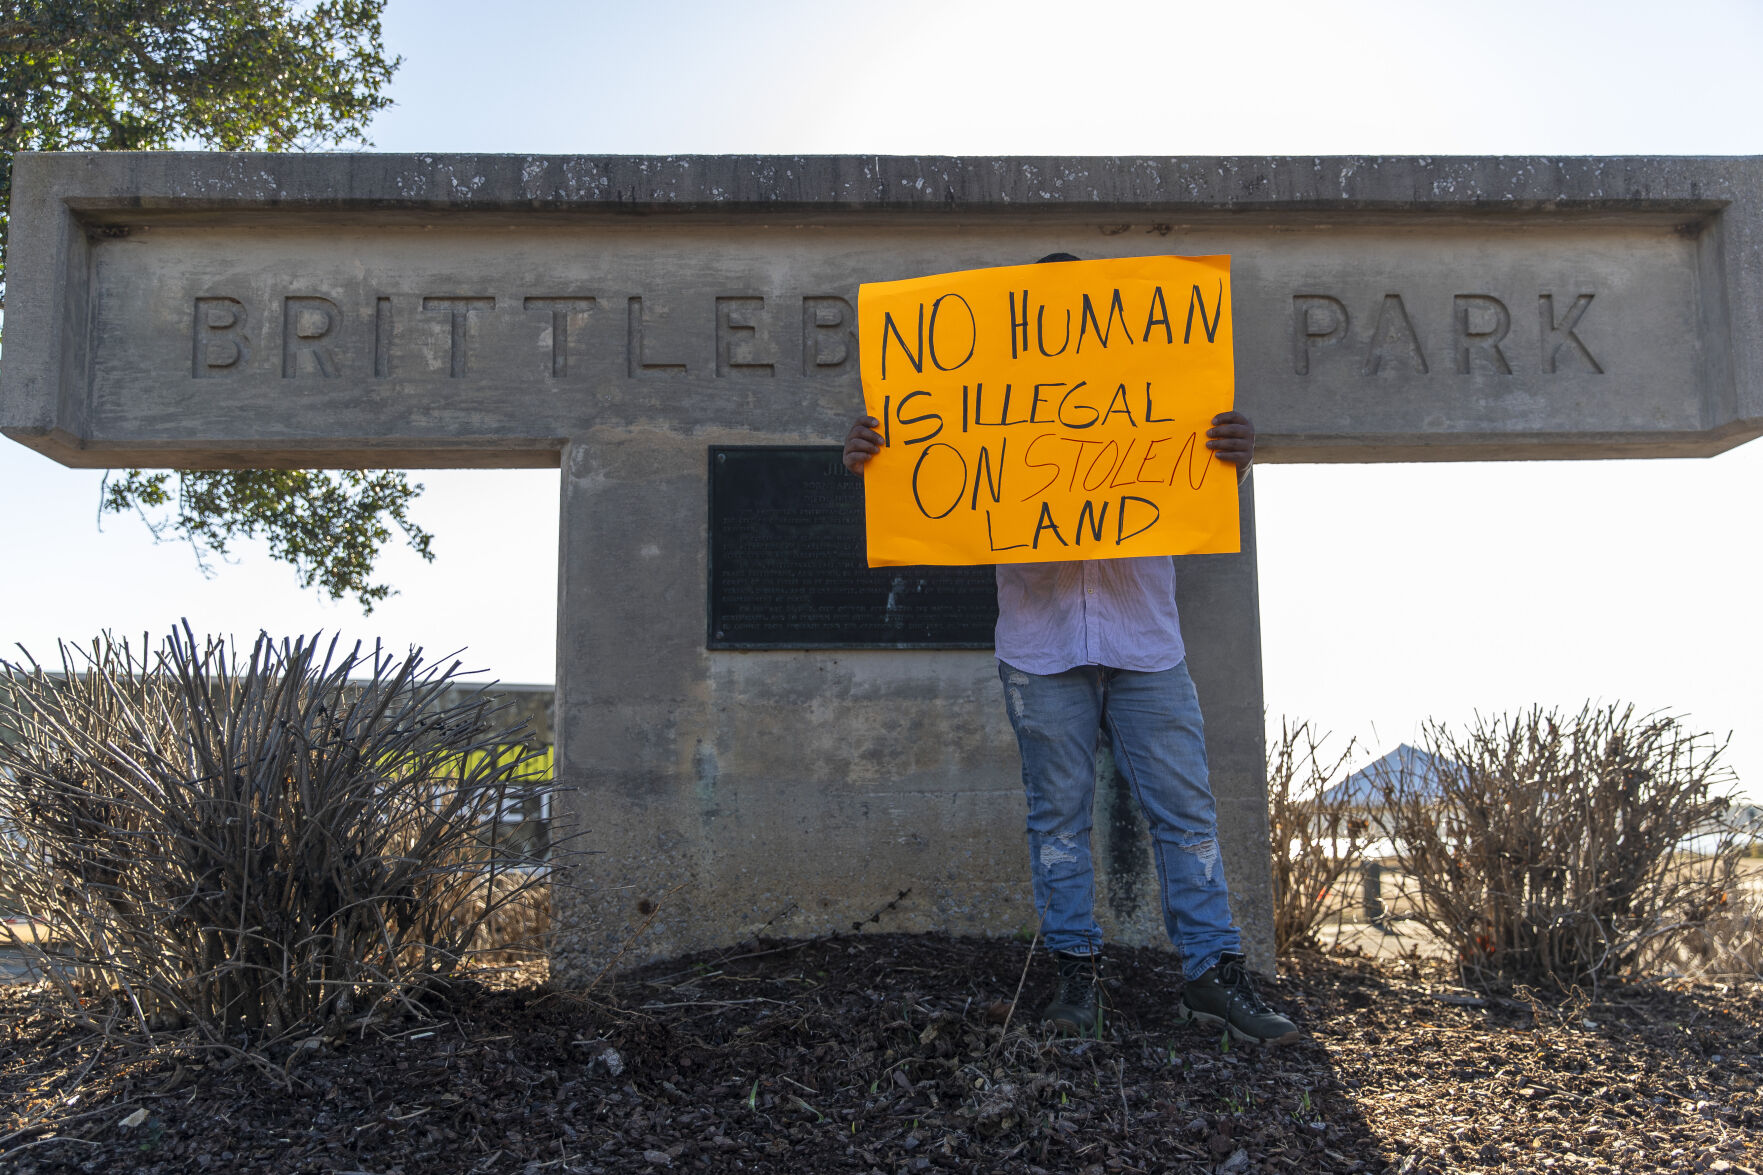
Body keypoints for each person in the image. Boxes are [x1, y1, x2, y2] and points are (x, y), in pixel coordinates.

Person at [841, 255, 1299, 1046]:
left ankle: (1213, 976)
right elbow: (930, 477)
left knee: (1187, 815)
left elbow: (1194, 478)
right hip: (1038, 644)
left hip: (1145, 642)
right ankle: (1073, 978)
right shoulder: (981, 395)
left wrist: (1234, 453)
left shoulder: (1158, 390)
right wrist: (875, 463)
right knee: (1055, 819)